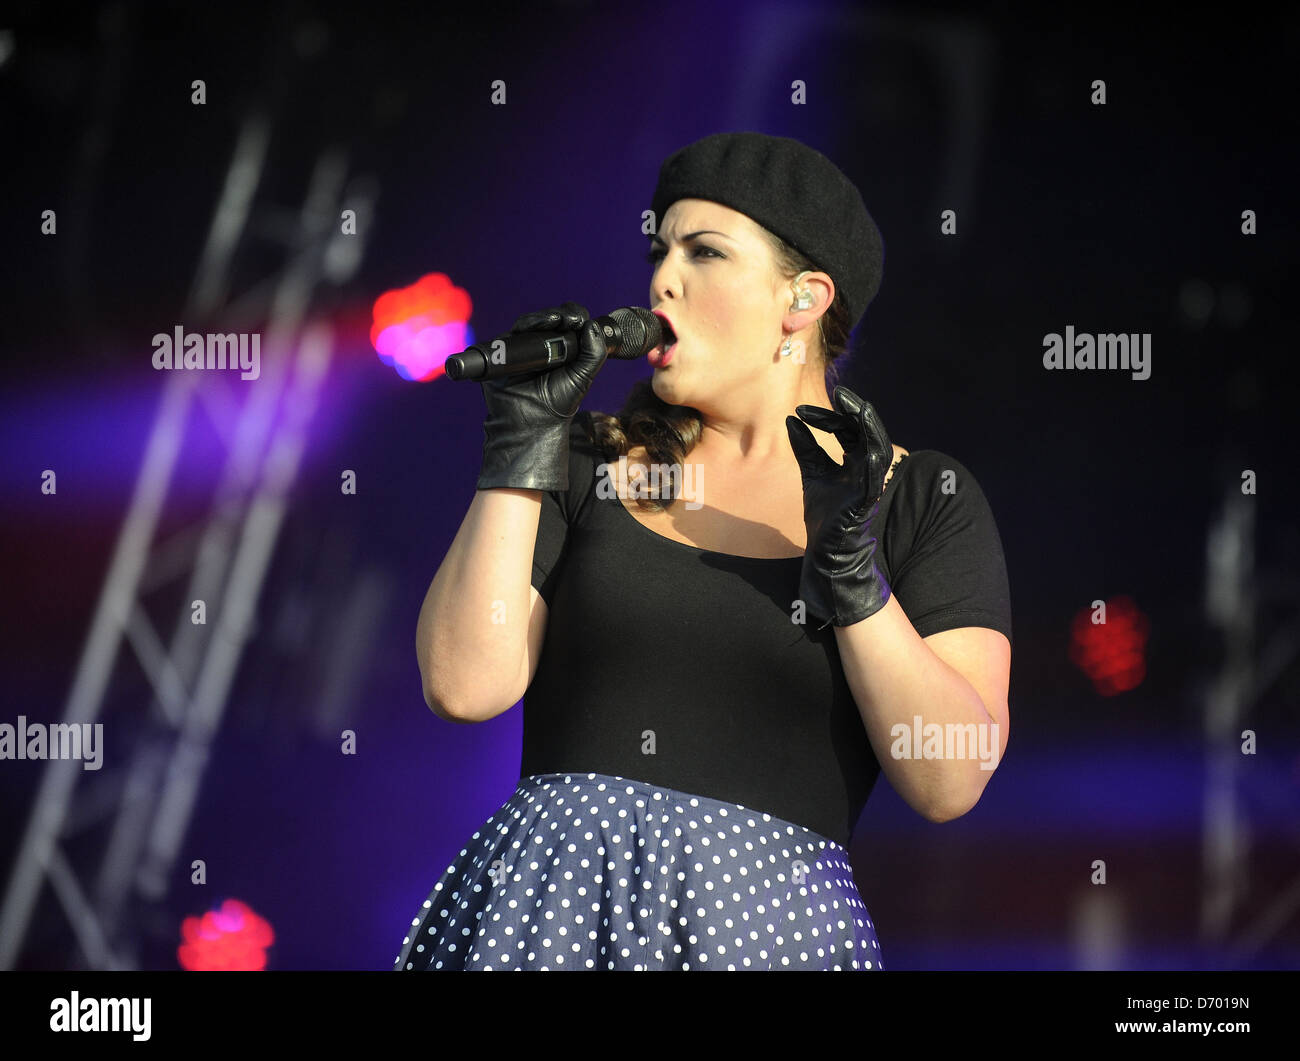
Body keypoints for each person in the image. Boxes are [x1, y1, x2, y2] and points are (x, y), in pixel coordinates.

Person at [396, 132, 1012, 971]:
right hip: (546, 913)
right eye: (659, 248)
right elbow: (463, 685)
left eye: (705, 251)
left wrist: (852, 575)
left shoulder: (915, 498)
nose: (661, 278)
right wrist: (521, 443)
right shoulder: (589, 458)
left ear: (803, 299)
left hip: (765, 937)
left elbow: (949, 780)